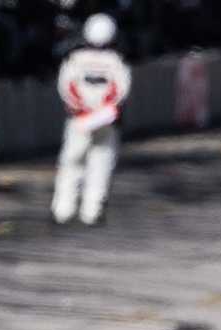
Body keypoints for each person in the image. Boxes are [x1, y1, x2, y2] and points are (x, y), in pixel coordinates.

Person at [53, 14, 130, 226]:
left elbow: (66, 85)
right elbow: (121, 89)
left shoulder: (75, 58)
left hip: (80, 118)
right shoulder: (116, 60)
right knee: (100, 163)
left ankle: (63, 209)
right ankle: (92, 211)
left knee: (71, 162)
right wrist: (103, 109)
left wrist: (81, 108)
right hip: (105, 119)